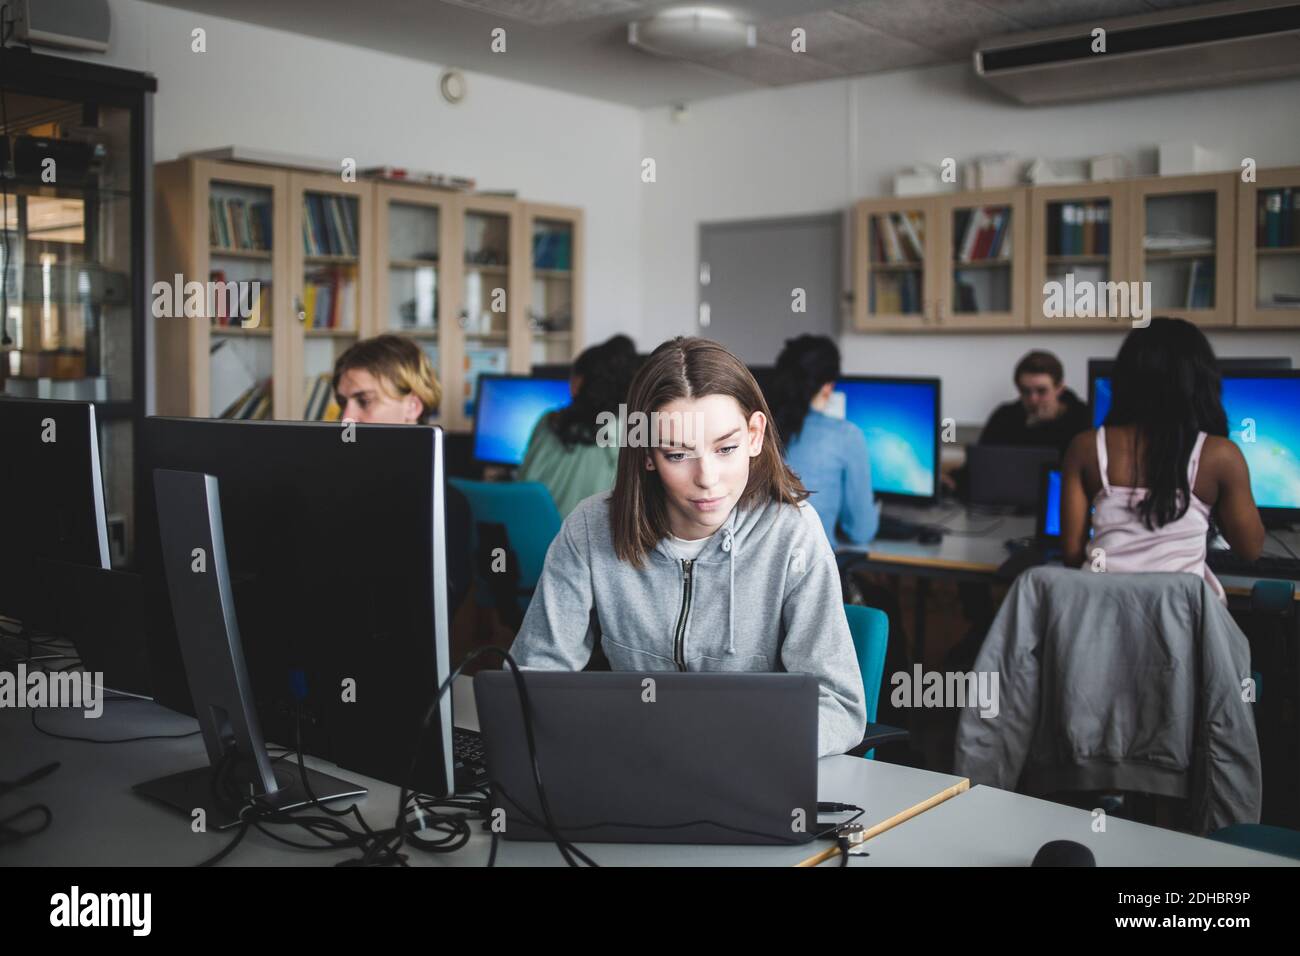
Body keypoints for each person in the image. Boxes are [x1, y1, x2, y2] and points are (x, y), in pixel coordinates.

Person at [510, 336, 866, 757]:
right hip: (633, 768)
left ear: (754, 436)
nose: (708, 478)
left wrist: (729, 747)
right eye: (678, 455)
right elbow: (531, 678)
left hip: (747, 773)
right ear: (646, 453)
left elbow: (840, 707)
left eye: (726, 448)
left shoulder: (793, 534)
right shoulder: (590, 528)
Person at [1060, 317, 1264, 598]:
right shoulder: (1221, 455)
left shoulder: (1084, 447)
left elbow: (1071, 554)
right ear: (1201, 380)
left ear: (1124, 378)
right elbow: (1250, 549)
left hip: (1097, 615)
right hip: (1179, 620)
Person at [332, 334, 472, 615]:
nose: (346, 418)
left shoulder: (446, 507)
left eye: (364, 401)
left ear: (413, 406)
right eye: (343, 402)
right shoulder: (332, 486)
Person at [771, 334, 878, 546]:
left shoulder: (756, 430)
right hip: (815, 575)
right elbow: (861, 531)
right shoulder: (846, 436)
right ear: (828, 387)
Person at [518, 335, 639, 517]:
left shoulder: (549, 422)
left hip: (532, 539)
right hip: (586, 543)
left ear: (577, 383)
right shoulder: (629, 430)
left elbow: (521, 487)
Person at [977, 349, 1090, 453]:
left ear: (1059, 389)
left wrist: (1045, 426)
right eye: (1025, 391)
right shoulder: (1004, 417)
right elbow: (982, 461)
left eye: (1042, 391)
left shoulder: (1083, 418)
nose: (1033, 399)